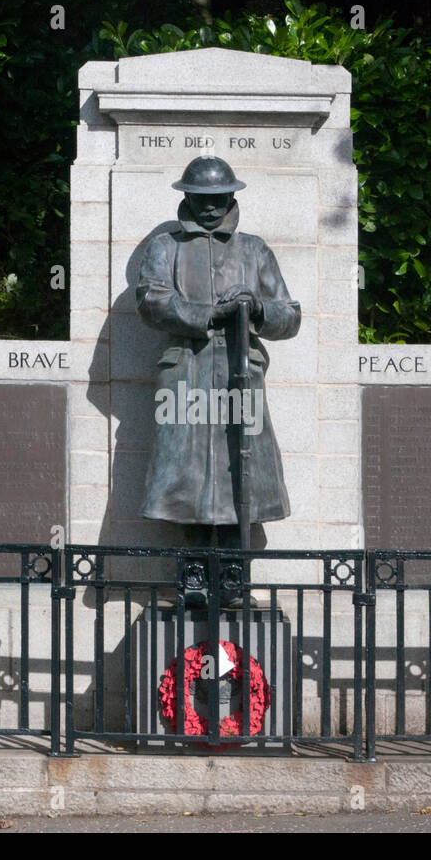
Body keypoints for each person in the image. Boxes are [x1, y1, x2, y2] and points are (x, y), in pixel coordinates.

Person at [135, 156, 302, 606]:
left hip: (239, 375)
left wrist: (257, 308)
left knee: (241, 475)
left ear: (231, 196)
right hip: (186, 377)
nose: (209, 207)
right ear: (186, 197)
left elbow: (290, 314)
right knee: (184, 477)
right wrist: (208, 313)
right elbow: (151, 300)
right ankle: (191, 578)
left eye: (217, 199)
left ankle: (232, 579)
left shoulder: (254, 250)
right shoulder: (165, 247)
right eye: (200, 198)